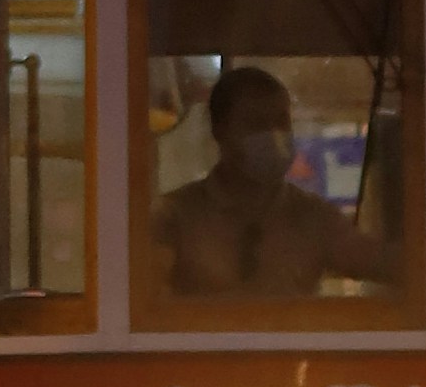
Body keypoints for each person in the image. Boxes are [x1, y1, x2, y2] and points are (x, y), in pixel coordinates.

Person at [158, 65, 384, 301]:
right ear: (220, 131)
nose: (273, 135)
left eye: (281, 121)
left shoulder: (313, 217)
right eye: (256, 123)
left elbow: (376, 261)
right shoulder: (176, 216)